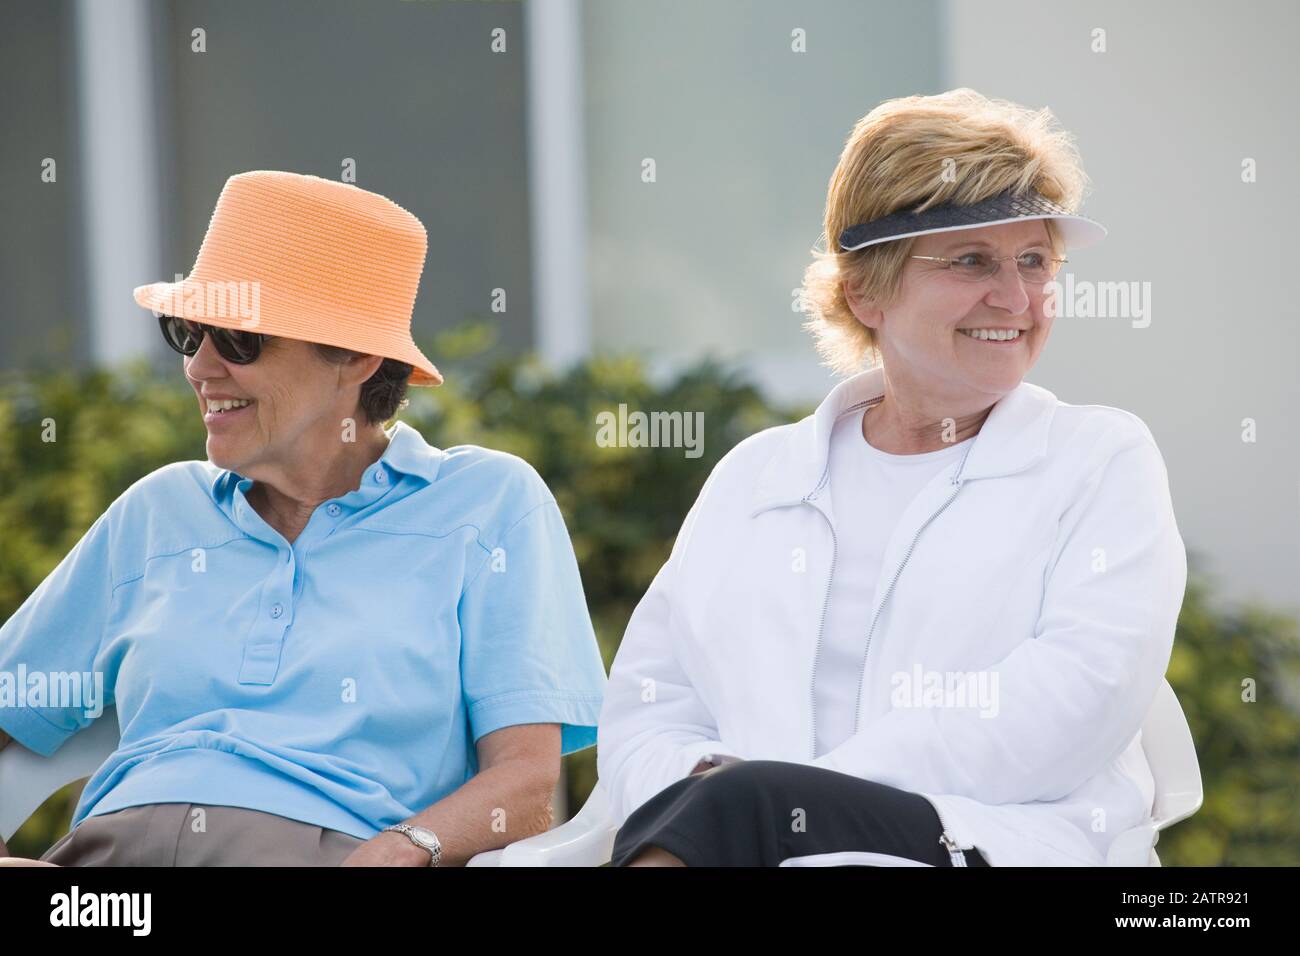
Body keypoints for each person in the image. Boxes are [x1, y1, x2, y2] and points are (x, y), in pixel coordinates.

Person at [596, 89, 1188, 867]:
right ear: (863, 291)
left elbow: (1077, 700)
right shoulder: (756, 476)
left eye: (1035, 262)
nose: (1015, 299)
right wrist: (735, 799)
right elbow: (649, 707)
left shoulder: (1100, 459)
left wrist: (793, 798)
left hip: (985, 845)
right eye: (972, 260)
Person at [0, 171, 607, 866]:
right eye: (188, 333)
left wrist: (406, 848)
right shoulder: (157, 513)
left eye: (237, 339)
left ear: (353, 357)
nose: (199, 368)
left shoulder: (488, 504)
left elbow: (525, 787)